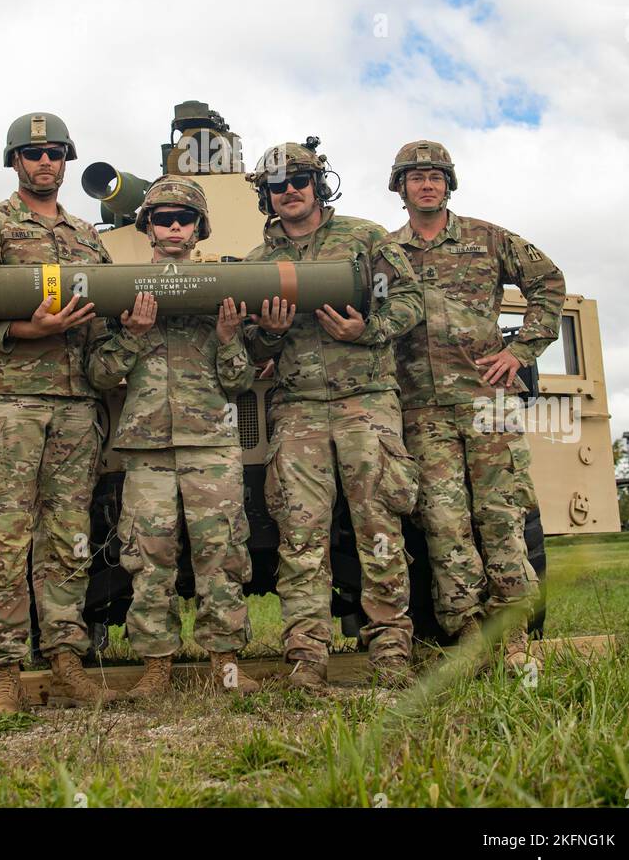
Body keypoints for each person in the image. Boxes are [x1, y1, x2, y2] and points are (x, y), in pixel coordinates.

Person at [0, 111, 119, 719]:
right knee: (5, 539)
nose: (45, 162)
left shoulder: (87, 237)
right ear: (15, 161)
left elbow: (105, 312)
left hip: (76, 404)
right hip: (10, 401)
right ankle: (4, 674)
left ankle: (66, 659)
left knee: (69, 537)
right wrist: (32, 329)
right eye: (33, 153)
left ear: (66, 161)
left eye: (54, 154)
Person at [243, 140, 424, 692]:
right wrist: (269, 334)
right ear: (267, 196)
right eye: (277, 185)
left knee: (379, 528)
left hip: (365, 401)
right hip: (297, 407)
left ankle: (391, 651)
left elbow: (409, 300)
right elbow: (249, 346)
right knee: (300, 536)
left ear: (318, 184)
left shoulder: (365, 239)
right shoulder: (256, 265)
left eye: (299, 180)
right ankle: (306, 658)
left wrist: (367, 330)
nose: (289, 191)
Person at [386, 141, 566, 670]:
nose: (427, 184)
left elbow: (548, 282)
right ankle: (466, 632)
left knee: (501, 516)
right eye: (416, 177)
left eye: (436, 176)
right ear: (400, 188)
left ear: (448, 185)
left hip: (488, 400)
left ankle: (513, 636)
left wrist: (520, 351)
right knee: (443, 525)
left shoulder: (488, 239)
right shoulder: (385, 252)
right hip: (422, 409)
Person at [88, 177, 259, 697]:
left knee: (222, 554)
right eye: (163, 219)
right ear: (148, 227)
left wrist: (227, 338)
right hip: (147, 446)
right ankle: (156, 669)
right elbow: (100, 373)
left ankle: (226, 666)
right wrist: (133, 335)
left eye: (185, 219)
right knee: (149, 557)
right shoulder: (121, 290)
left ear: (199, 229)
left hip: (211, 442)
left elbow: (239, 381)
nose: (175, 228)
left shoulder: (221, 286)